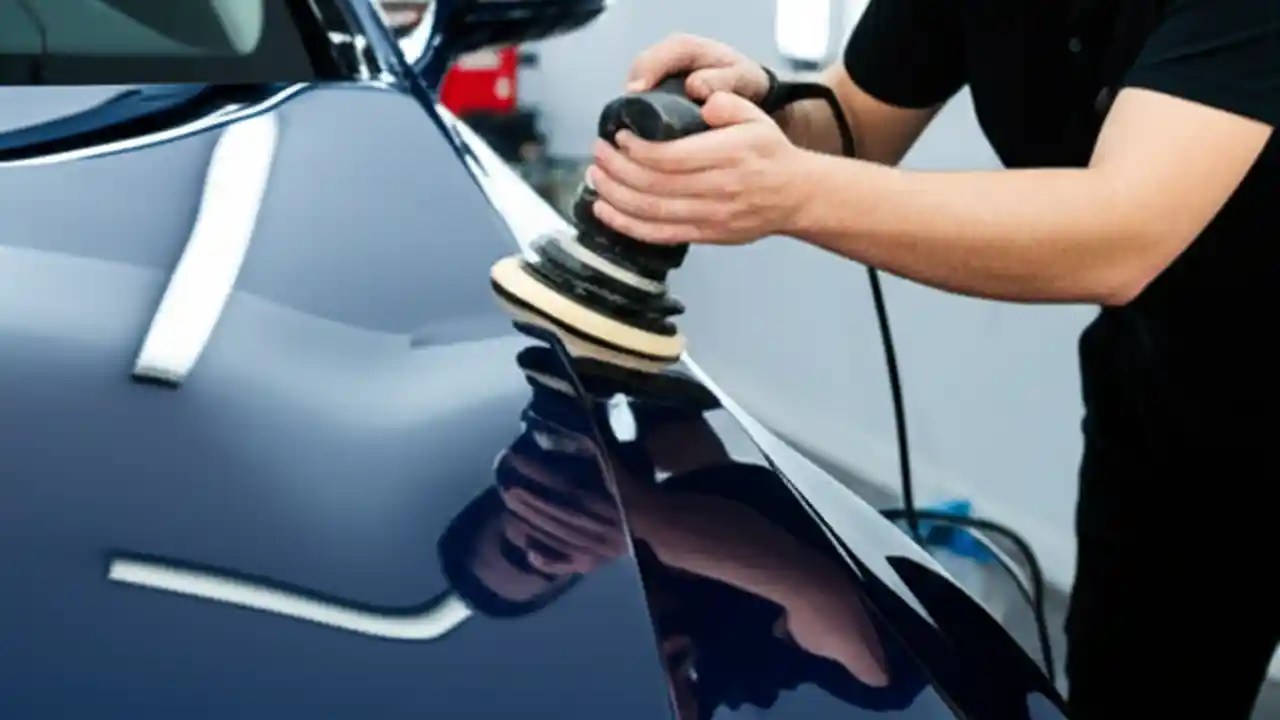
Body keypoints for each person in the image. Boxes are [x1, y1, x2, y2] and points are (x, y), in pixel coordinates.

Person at [586, 1, 1280, 717]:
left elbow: (1122, 234)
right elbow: (855, 123)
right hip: (1165, 394)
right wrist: (750, 116)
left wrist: (790, 191)